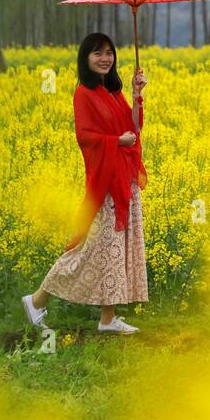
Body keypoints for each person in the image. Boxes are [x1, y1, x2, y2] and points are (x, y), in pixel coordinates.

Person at [22, 32, 148, 335]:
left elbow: (134, 127)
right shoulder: (84, 93)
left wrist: (136, 95)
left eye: (109, 53)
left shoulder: (112, 91)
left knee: (112, 250)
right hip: (106, 184)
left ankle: (108, 319)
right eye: (97, 53)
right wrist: (116, 141)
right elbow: (85, 136)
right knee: (90, 248)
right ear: (86, 58)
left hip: (123, 179)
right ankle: (36, 300)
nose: (105, 59)